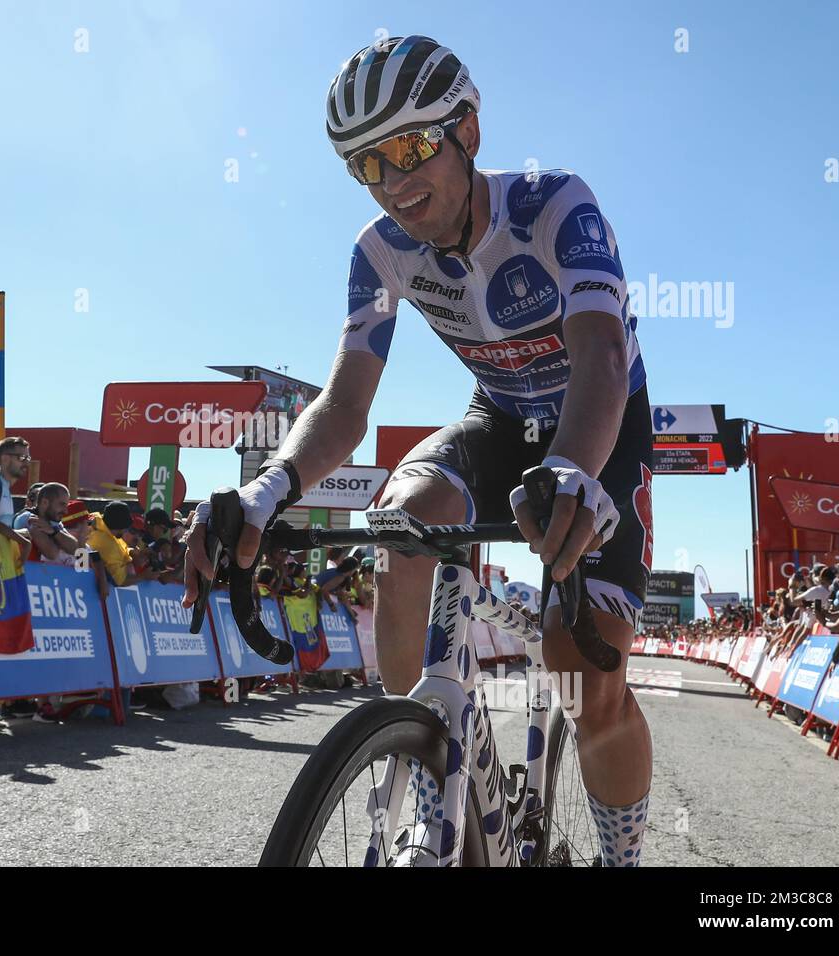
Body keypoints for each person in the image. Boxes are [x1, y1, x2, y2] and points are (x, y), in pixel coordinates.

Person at [184, 36, 652, 867]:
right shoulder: (379, 250)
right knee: (400, 520)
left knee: (579, 667)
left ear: (467, 129)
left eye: (409, 148)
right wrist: (266, 491)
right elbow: (342, 406)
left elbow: (601, 359)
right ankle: (429, 771)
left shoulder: (554, 205)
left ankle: (625, 858)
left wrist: (575, 471)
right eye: (368, 164)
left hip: (598, 422)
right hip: (500, 419)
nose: (395, 182)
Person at [88, 501, 157, 587]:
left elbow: (116, 545)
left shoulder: (97, 520)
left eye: (140, 534)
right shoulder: (108, 544)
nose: (126, 530)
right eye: (129, 529)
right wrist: (144, 576)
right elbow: (120, 581)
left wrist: (130, 552)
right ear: (120, 526)